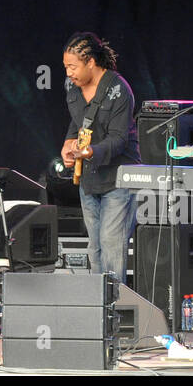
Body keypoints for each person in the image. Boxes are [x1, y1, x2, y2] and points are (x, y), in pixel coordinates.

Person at [60, 32, 139, 283]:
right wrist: (67, 145)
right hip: (90, 179)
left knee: (110, 244)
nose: (68, 73)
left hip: (118, 178)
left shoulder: (119, 90)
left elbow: (119, 139)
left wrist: (90, 151)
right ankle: (99, 307)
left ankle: (114, 310)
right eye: (65, 67)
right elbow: (77, 122)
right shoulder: (72, 87)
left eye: (73, 67)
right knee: (94, 247)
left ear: (91, 63)